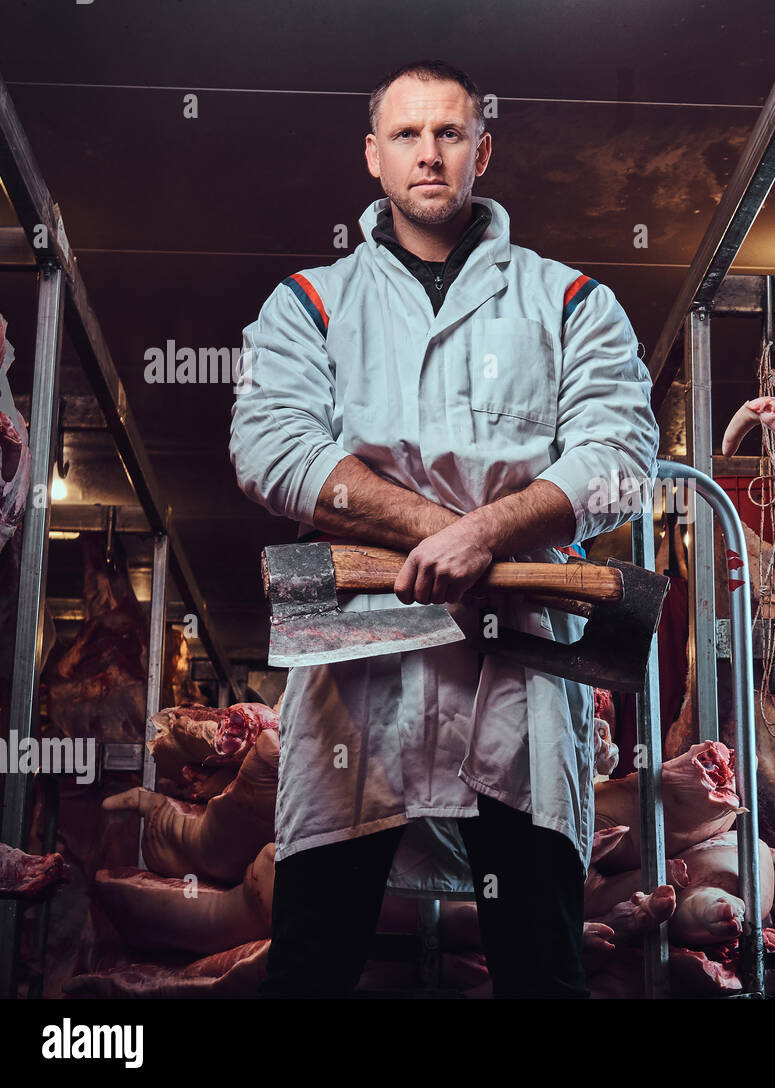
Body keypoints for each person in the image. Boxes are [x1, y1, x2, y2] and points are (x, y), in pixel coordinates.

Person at [229, 59, 659, 998]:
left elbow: (621, 455)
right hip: (357, 663)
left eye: (452, 133)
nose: (431, 153)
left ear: (483, 152)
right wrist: (448, 532)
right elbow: (269, 447)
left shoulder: (568, 300)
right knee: (312, 962)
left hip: (522, 668)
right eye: (409, 135)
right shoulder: (309, 303)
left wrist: (487, 535)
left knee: (543, 963)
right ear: (373, 156)